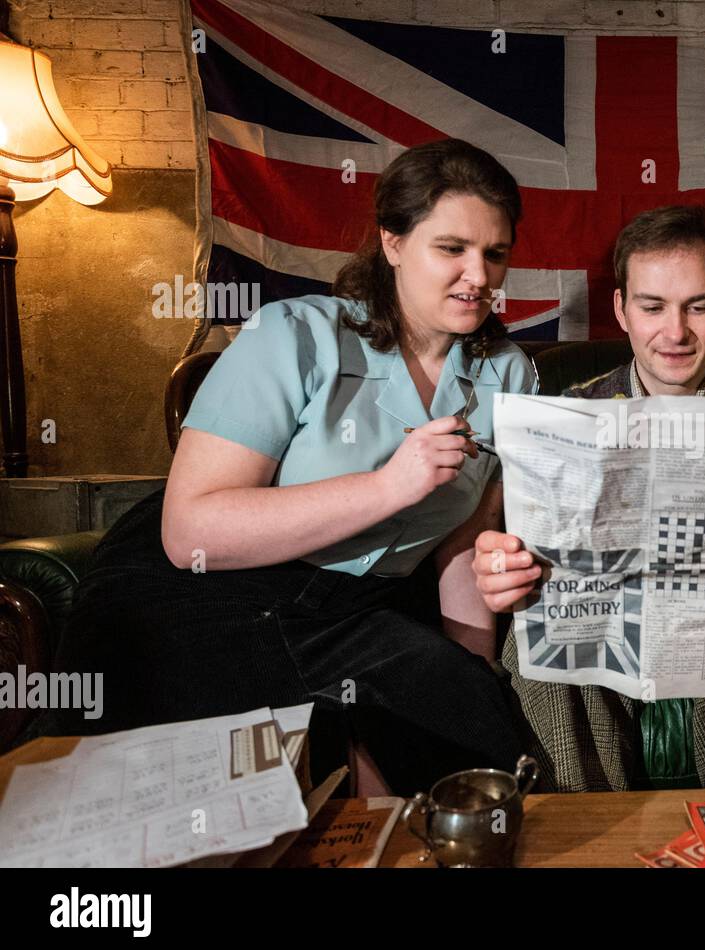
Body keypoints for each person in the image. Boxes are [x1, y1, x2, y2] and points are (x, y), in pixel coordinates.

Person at [41, 140, 538, 797]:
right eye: (451, 248)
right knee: (252, 794)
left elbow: (459, 547)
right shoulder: (292, 332)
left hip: (360, 605)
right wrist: (389, 484)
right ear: (392, 242)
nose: (478, 275)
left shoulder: (510, 373)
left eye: (495, 253)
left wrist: (476, 675)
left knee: (480, 752)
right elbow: (191, 530)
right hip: (204, 590)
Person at [472, 206, 705, 790]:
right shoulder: (568, 413)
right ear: (622, 311)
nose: (676, 332)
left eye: (698, 306)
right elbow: (521, 546)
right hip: (606, 625)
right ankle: (586, 842)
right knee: (540, 636)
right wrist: (504, 566)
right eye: (653, 307)